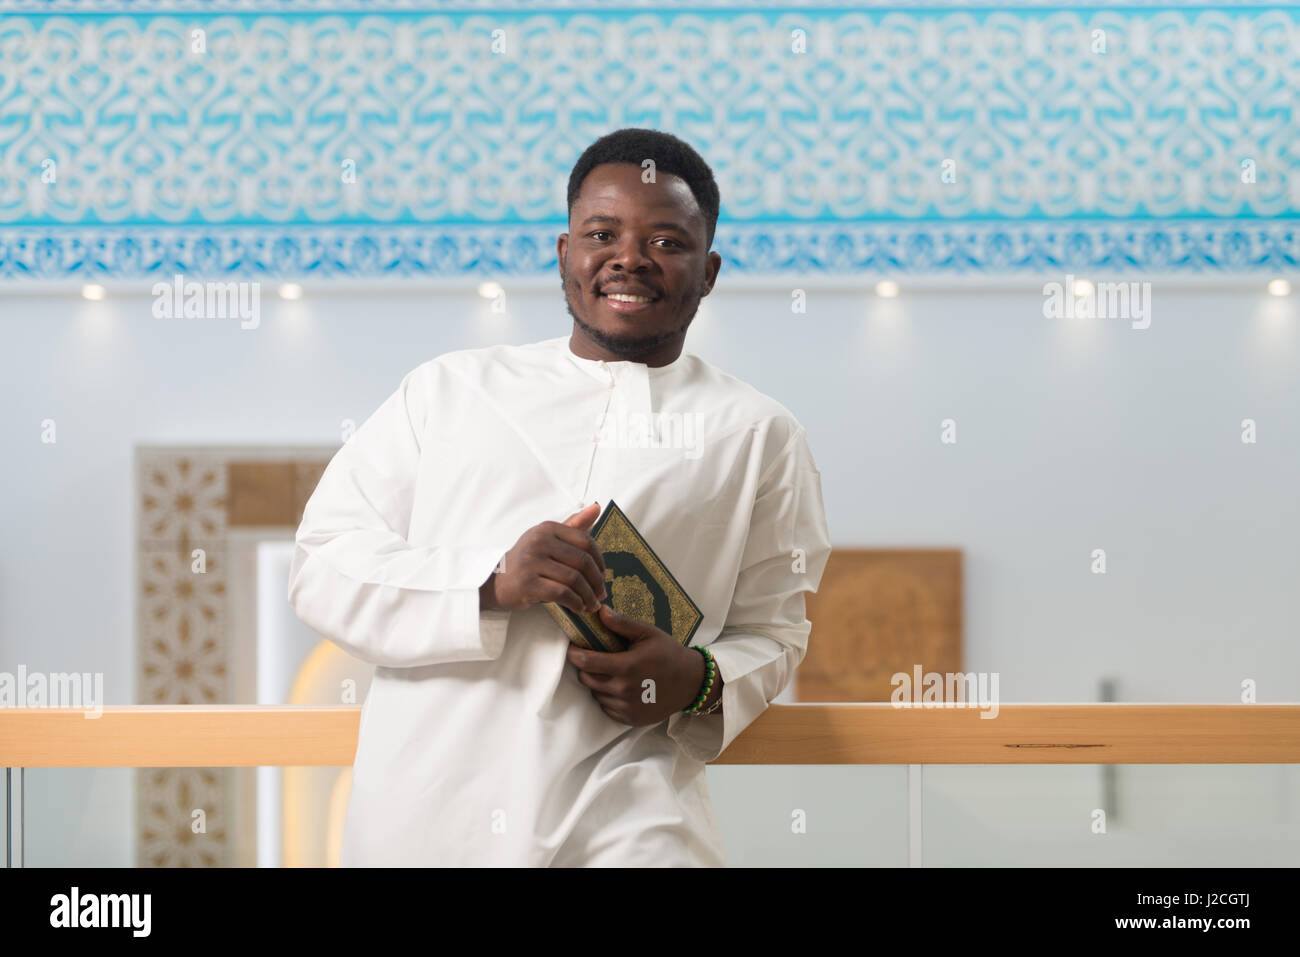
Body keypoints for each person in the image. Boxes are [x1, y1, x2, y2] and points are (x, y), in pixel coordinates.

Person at [287, 128, 831, 866]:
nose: (629, 257)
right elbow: (322, 564)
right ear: (564, 253)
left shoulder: (760, 432)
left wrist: (699, 678)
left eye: (666, 241)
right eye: (601, 232)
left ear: (708, 272)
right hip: (430, 818)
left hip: (639, 824)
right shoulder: (446, 391)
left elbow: (775, 630)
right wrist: (489, 579)